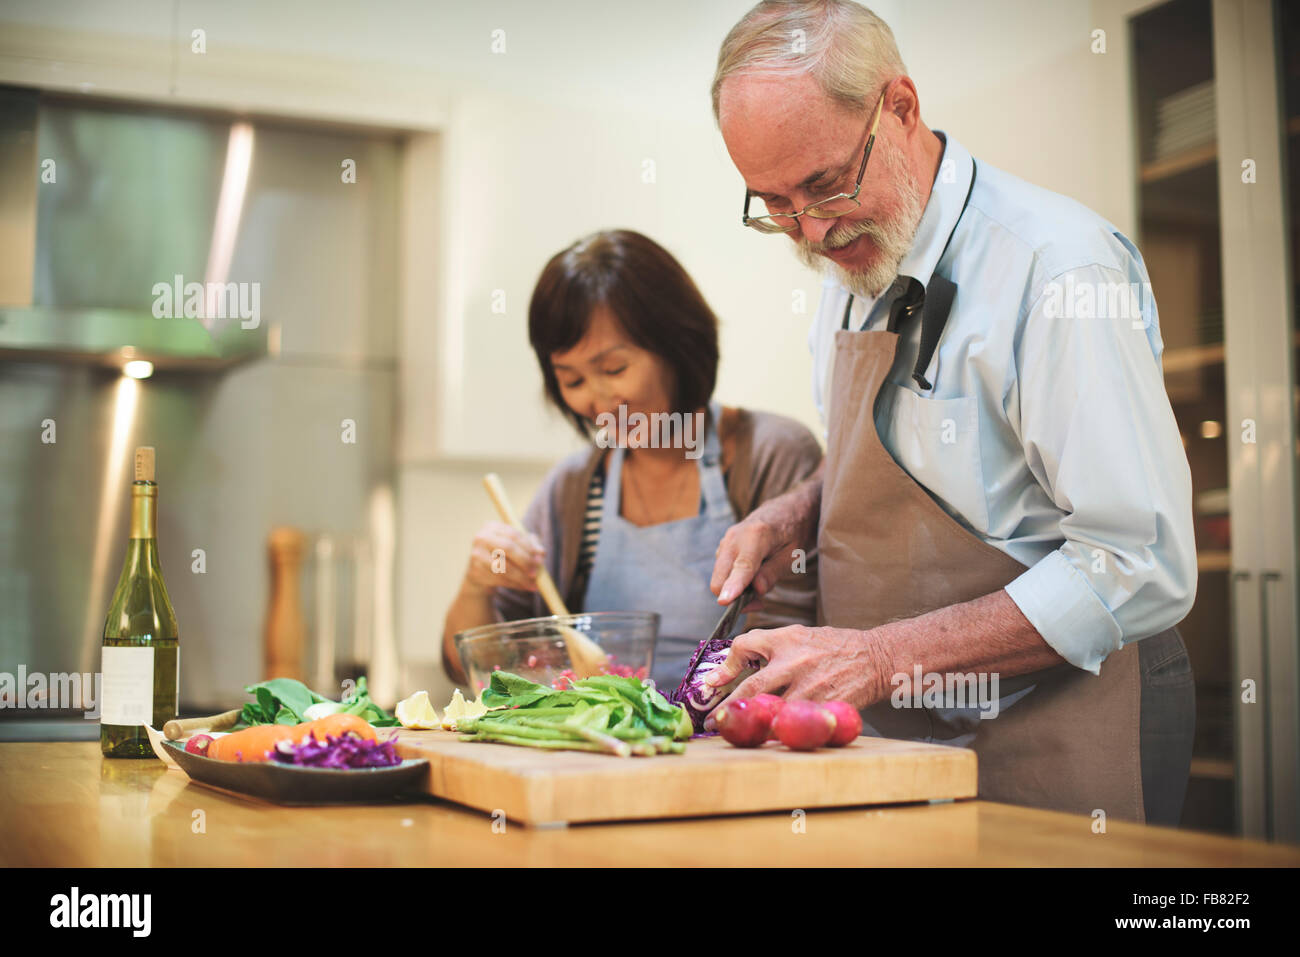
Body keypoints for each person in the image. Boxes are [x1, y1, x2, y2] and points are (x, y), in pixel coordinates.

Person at [704, 0, 1197, 826]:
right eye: (774, 203)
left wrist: (886, 655)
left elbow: (1139, 560)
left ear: (900, 107)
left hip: (1069, 718)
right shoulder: (850, 266)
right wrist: (799, 508)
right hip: (911, 730)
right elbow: (890, 451)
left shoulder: (1056, 267)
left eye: (826, 184)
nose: (813, 230)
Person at [441, 229, 823, 693]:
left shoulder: (772, 453)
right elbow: (477, 667)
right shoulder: (574, 489)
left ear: (676, 347)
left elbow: (791, 654)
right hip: (610, 755)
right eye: (572, 379)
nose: (598, 400)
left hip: (740, 748)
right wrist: (478, 584)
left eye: (613, 370)